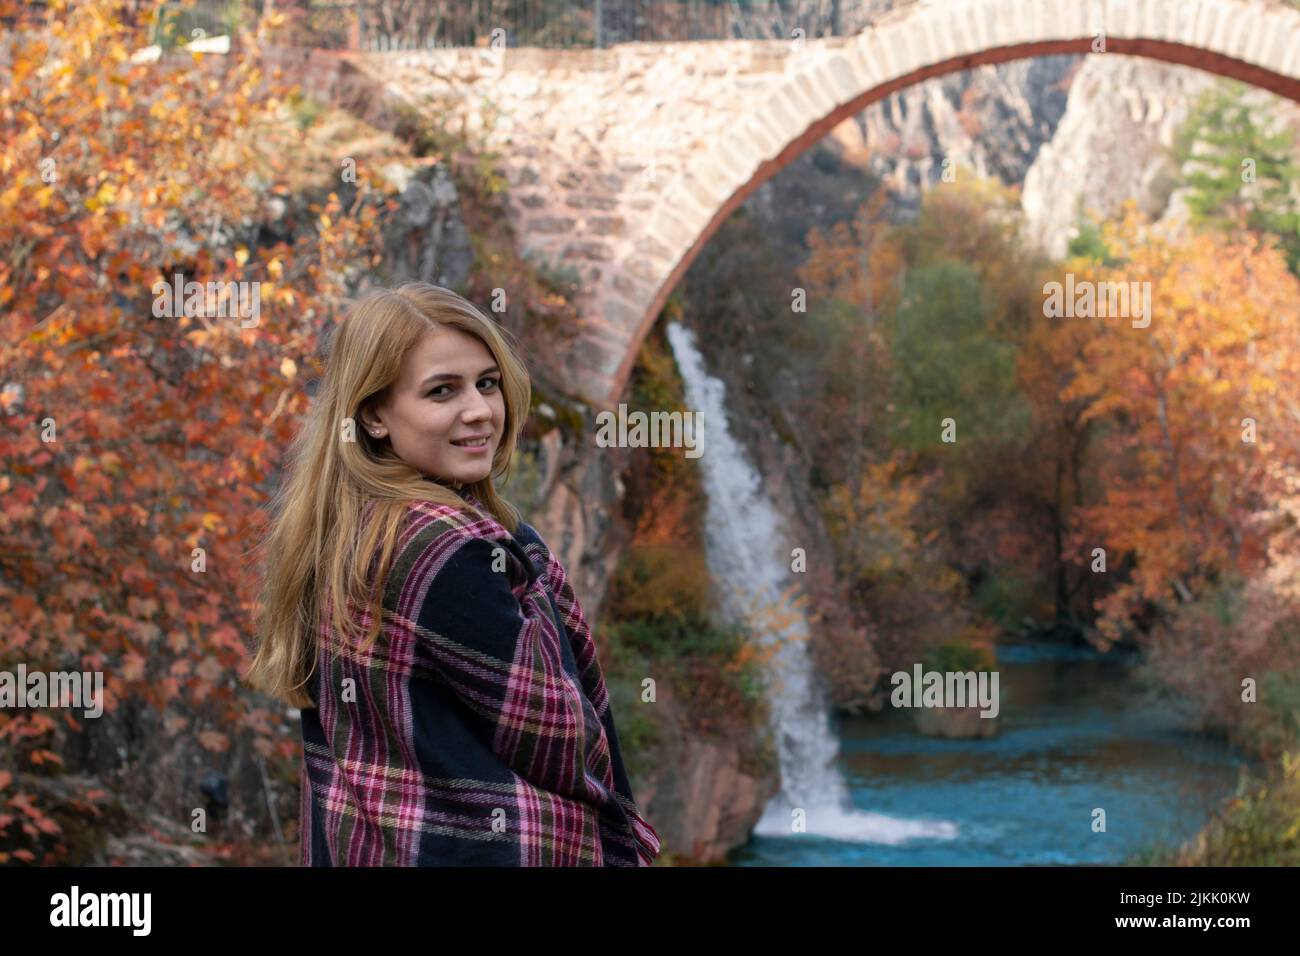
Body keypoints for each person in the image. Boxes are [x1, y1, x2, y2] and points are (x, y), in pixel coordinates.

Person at [243, 282, 660, 866]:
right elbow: (560, 739)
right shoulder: (450, 548)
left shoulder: (341, 531)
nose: (479, 411)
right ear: (374, 415)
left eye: (486, 383)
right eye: (442, 391)